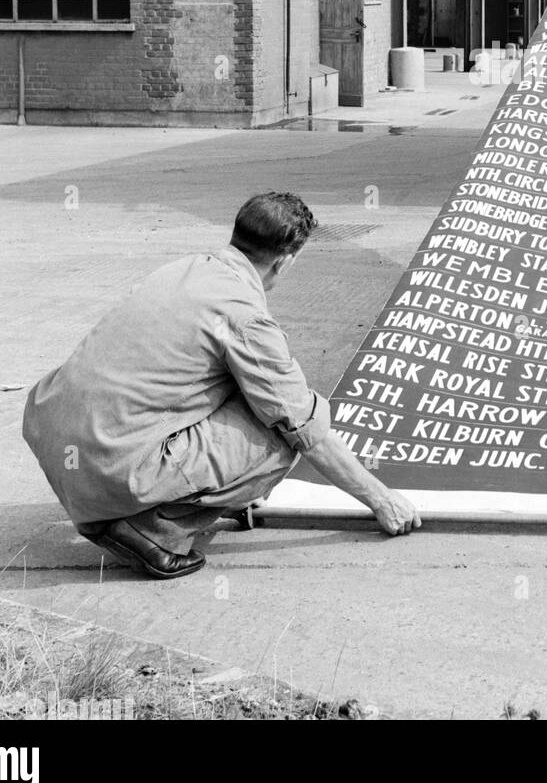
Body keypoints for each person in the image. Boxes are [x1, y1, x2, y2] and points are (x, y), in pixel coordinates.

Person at [22, 191, 420, 580]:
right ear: (285, 261)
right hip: (110, 464)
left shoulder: (185, 269)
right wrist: (381, 500)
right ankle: (149, 530)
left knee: (243, 388)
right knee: (281, 432)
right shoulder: (244, 317)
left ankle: (149, 501)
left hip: (58, 439)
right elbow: (304, 429)